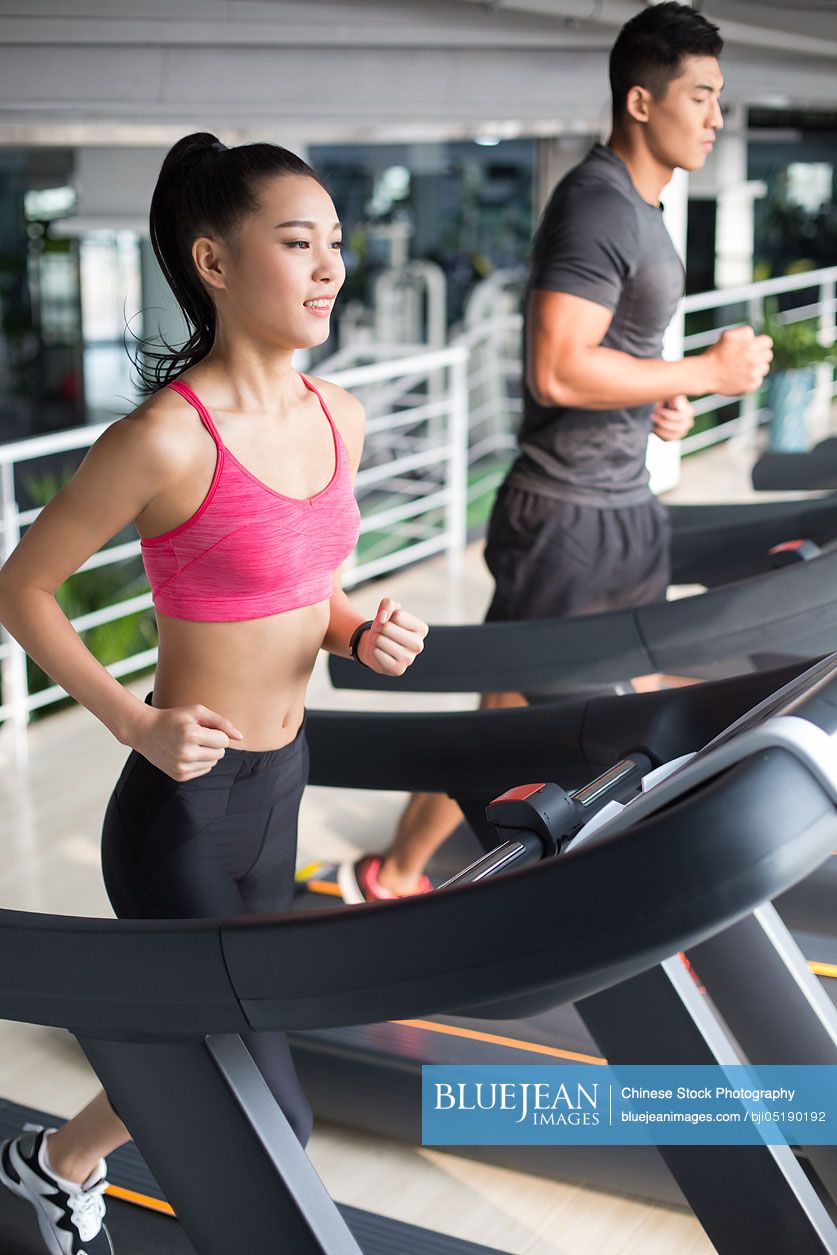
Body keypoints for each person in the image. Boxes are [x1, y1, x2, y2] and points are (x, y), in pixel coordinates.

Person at [0, 133, 428, 1255]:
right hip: (180, 813)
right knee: (269, 1111)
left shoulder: (343, 417)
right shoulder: (162, 439)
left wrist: (361, 628)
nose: (331, 266)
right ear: (216, 262)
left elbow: (307, 586)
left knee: (210, 1047)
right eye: (299, 243)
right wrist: (133, 719)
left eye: (337, 243)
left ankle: (53, 1161)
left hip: (280, 788)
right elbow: (25, 588)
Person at [338, 1, 772, 904]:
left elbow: (609, 359)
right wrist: (710, 367)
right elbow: (557, 370)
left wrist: (665, 395)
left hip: (614, 502)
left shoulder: (642, 209)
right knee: (520, 707)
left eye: (718, 98)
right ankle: (400, 872)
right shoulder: (595, 204)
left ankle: (401, 867)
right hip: (568, 513)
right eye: (700, 95)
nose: (715, 117)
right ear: (641, 100)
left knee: (585, 700)